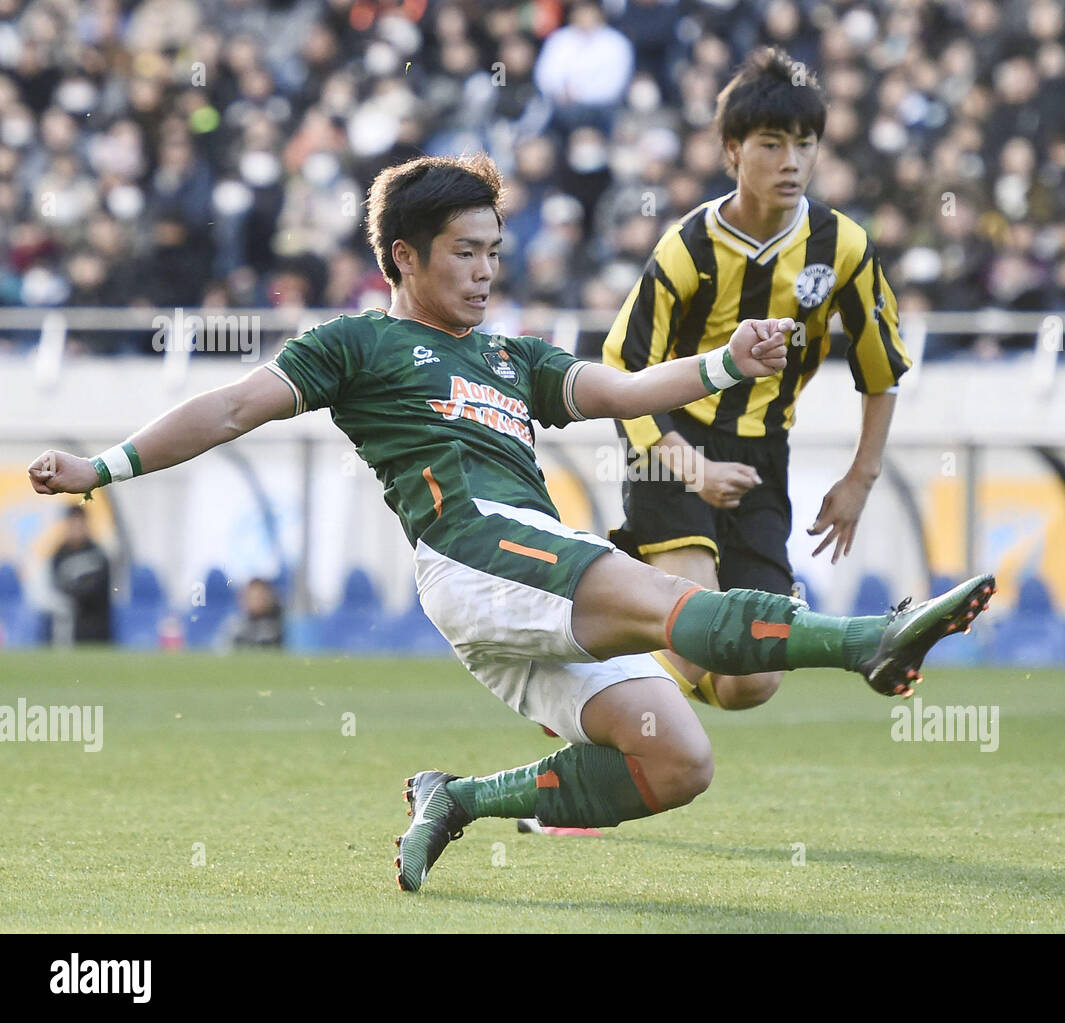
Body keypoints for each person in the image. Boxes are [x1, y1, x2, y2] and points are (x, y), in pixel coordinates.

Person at [27, 153, 994, 893]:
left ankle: (456, 796)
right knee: (662, 599)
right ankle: (872, 640)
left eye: (495, 250)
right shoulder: (358, 343)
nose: (487, 269)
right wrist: (100, 469)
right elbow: (235, 405)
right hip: (472, 551)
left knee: (678, 760)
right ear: (403, 256)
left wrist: (724, 363)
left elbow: (618, 388)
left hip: (521, 574)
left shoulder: (509, 356)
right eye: (466, 251)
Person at [603, 48, 910, 710]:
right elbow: (623, 364)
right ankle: (595, 696)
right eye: (772, 144)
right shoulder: (688, 246)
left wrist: (861, 476)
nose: (792, 161)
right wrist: (689, 467)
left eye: (805, 143)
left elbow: (880, 368)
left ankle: (625, 639)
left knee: (749, 681)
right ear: (733, 151)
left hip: (763, 455)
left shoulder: (845, 248)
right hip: (672, 441)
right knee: (702, 624)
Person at [47, 504, 112, 644]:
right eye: (72, 524)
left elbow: (98, 588)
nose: (75, 529)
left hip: (96, 626)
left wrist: (76, 591)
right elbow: (55, 585)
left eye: (79, 524)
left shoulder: (97, 554)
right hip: (68, 625)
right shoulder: (59, 554)